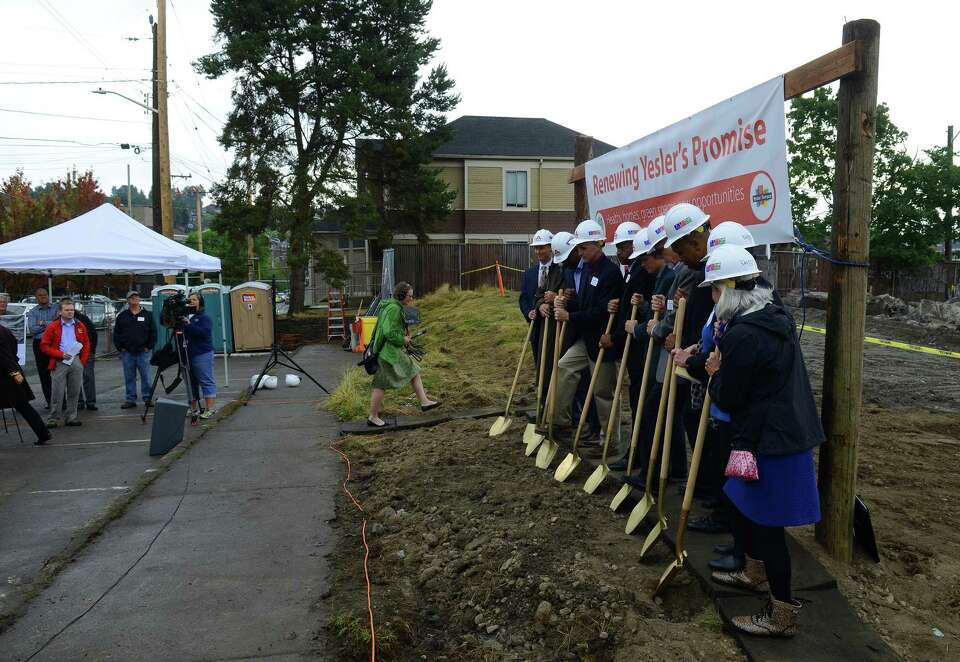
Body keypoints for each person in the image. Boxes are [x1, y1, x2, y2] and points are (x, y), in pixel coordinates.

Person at [703, 245, 824, 637]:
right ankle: (753, 573)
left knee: (769, 526)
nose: (712, 299)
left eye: (715, 290)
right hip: (784, 433)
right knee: (749, 509)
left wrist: (714, 372)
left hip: (768, 441)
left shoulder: (742, 335)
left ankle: (782, 614)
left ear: (729, 291)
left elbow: (729, 396)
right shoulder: (775, 318)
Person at [552, 219, 620, 443]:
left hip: (603, 339)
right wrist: (569, 302)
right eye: (578, 248)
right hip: (586, 338)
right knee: (564, 367)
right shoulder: (589, 270)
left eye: (583, 248)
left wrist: (570, 316)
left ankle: (610, 439)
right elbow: (587, 305)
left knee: (602, 391)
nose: (579, 253)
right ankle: (560, 421)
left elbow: (601, 312)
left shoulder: (610, 273)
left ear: (597, 245)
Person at [367, 282, 439, 427]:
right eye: (410, 296)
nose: (411, 299)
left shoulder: (392, 306)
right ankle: (373, 417)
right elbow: (389, 332)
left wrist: (403, 334)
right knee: (380, 384)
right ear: (401, 295)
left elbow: (388, 328)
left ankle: (424, 402)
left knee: (413, 370)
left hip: (390, 351)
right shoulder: (393, 309)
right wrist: (403, 339)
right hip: (387, 353)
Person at [40, 299, 90, 428]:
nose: (70, 312)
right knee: (57, 391)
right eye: (67, 310)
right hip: (59, 362)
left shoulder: (80, 325)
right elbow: (44, 346)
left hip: (76, 361)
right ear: (60, 312)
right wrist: (60, 354)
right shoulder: (53, 326)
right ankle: (53, 418)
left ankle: (71, 417)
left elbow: (86, 343)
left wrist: (81, 361)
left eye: (72, 310)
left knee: (74, 391)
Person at [0, 317, 51, 445]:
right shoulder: (5, 330)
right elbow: (13, 351)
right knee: (23, 406)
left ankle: (43, 433)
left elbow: (3, 356)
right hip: (11, 372)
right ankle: (43, 433)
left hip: (6, 375)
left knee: (23, 405)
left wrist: (13, 372)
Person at [114, 291, 157, 409]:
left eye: (136, 297)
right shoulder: (122, 316)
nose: (134, 299)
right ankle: (130, 399)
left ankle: (148, 398)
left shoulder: (148, 315)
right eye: (131, 297)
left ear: (139, 299)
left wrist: (149, 346)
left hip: (144, 352)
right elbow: (116, 333)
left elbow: (153, 332)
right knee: (129, 377)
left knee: (146, 377)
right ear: (127, 300)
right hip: (127, 352)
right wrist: (120, 347)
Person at [521, 229, 554, 378]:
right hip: (536, 329)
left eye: (541, 247)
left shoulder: (560, 270)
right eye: (536, 248)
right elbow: (523, 299)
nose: (538, 251)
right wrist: (529, 312)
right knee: (540, 367)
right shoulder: (529, 274)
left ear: (550, 247)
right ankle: (541, 397)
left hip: (554, 329)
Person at [182, 292, 217, 419]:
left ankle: (210, 409)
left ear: (200, 302)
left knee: (206, 380)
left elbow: (204, 334)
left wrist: (189, 325)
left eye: (195, 299)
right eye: (190, 299)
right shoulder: (183, 316)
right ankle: (193, 409)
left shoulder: (204, 317)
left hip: (202, 353)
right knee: (190, 383)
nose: (192, 301)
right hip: (186, 354)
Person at [26, 288, 57, 408]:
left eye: (45, 294)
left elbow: (57, 324)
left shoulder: (56, 308)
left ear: (48, 295)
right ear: (36, 297)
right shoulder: (33, 311)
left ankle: (60, 401)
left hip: (55, 343)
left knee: (57, 372)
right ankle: (50, 401)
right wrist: (49, 324)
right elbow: (32, 329)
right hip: (39, 344)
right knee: (44, 374)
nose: (43, 296)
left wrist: (41, 323)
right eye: (40, 295)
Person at [74, 308, 98, 411]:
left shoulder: (83, 319)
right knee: (74, 379)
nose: (69, 311)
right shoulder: (58, 322)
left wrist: (91, 350)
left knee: (88, 376)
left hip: (86, 353)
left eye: (70, 308)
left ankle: (90, 401)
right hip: (70, 355)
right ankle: (78, 402)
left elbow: (93, 334)